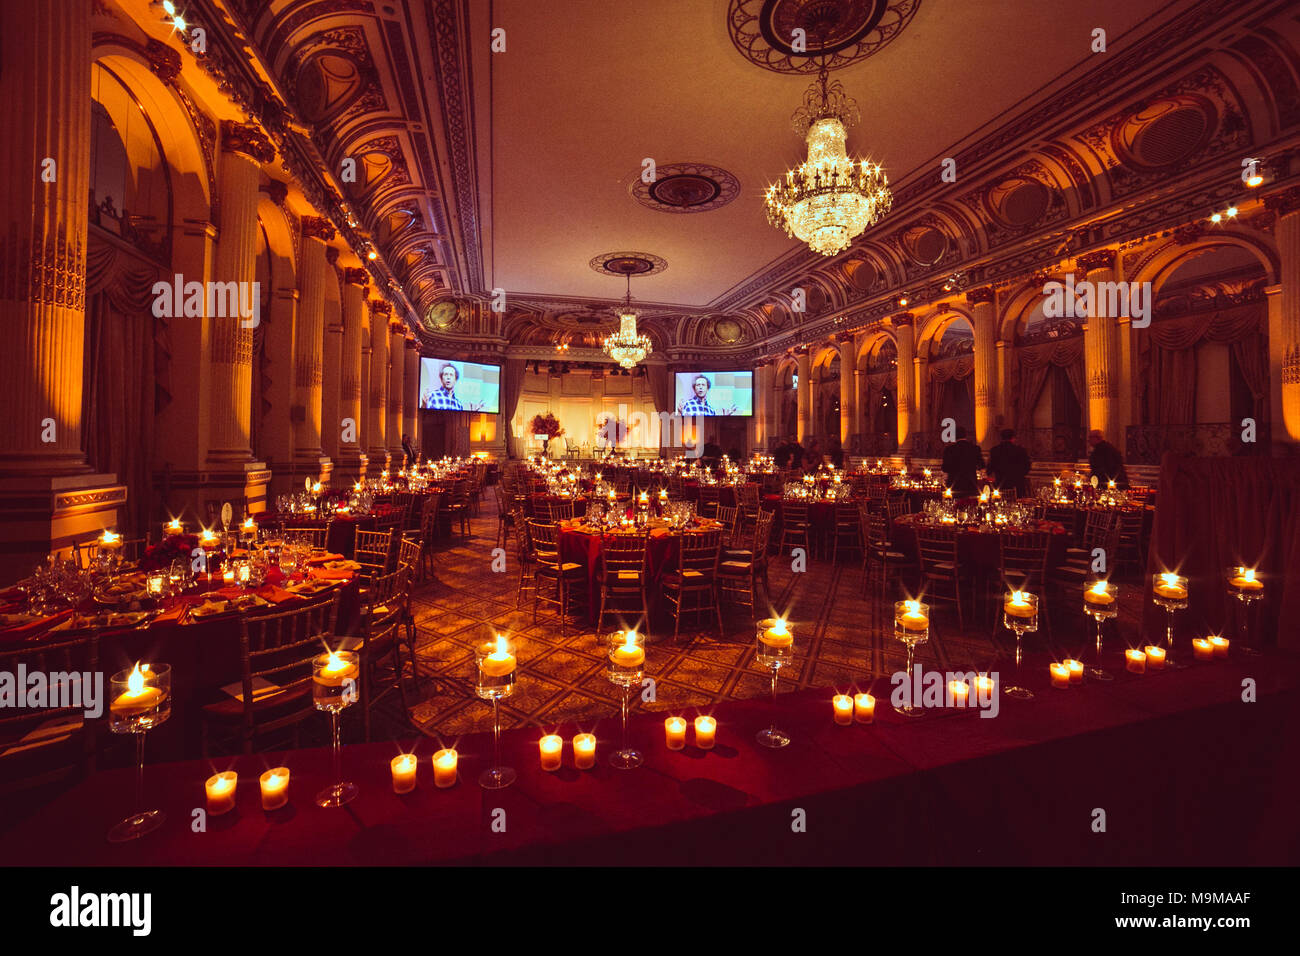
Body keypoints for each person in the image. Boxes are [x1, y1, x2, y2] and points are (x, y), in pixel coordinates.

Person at [941, 426, 984, 496]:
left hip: (954, 485)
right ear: (965, 435)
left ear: (954, 436)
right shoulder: (975, 448)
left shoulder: (949, 449)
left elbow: (945, 468)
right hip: (971, 484)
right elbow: (981, 465)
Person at [987, 428, 1031, 497]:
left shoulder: (994, 450)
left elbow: (990, 467)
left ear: (1001, 438)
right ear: (1013, 438)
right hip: (1017, 483)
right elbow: (1027, 466)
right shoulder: (1020, 450)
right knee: (1019, 502)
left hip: (1000, 483)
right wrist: (1020, 475)